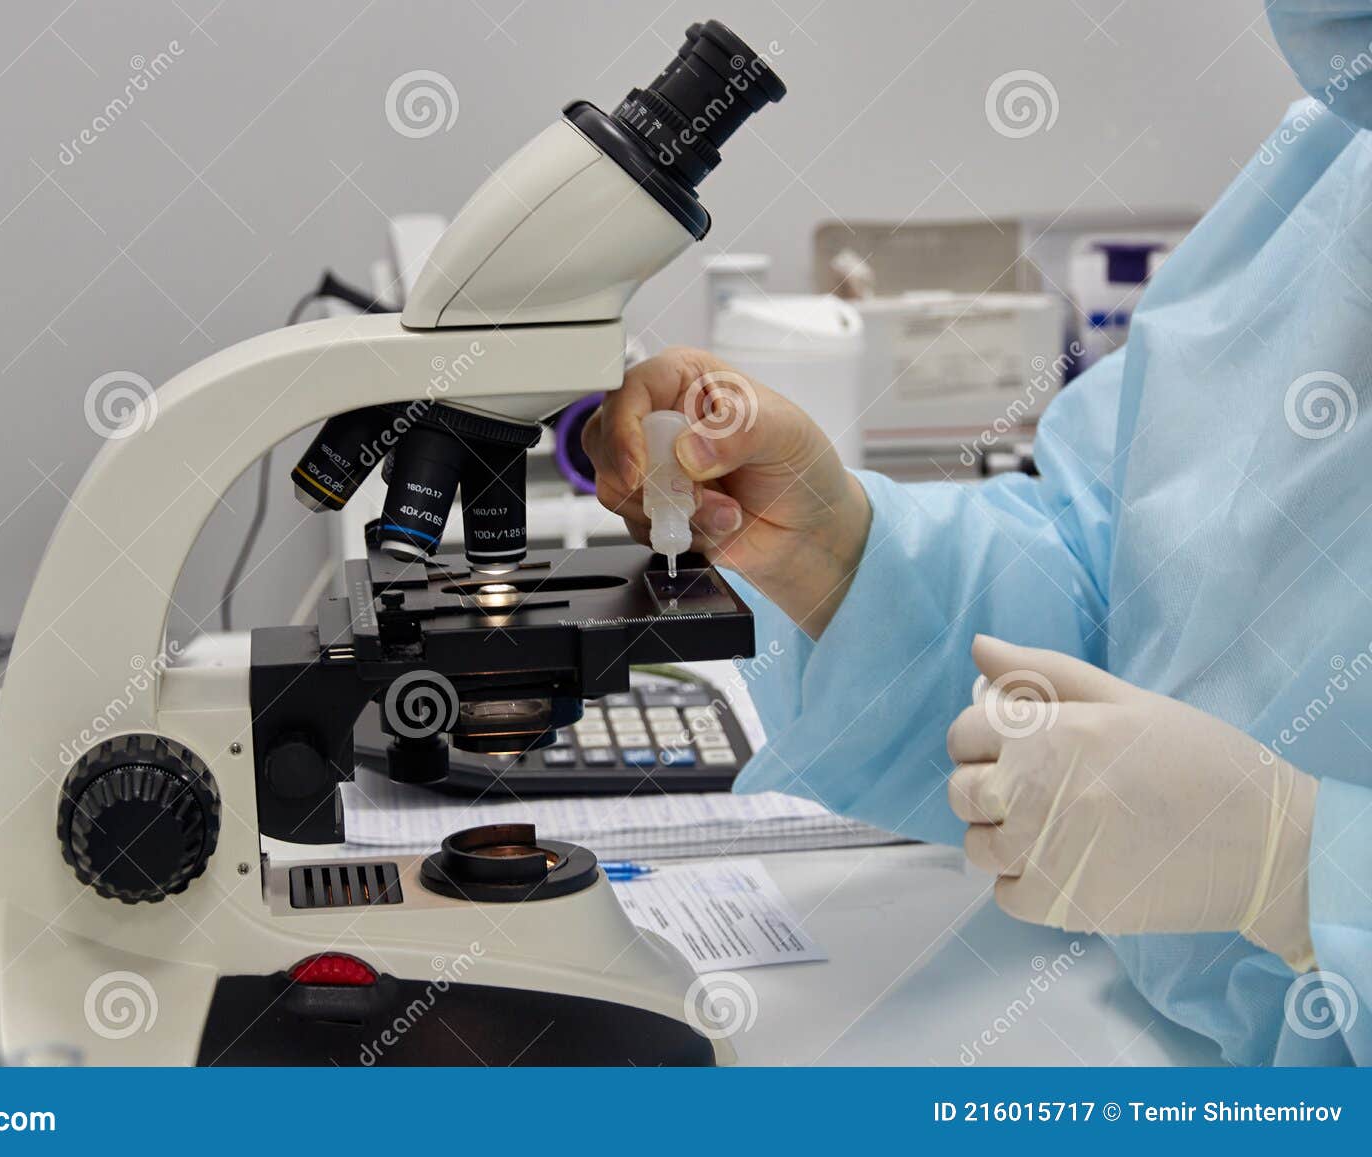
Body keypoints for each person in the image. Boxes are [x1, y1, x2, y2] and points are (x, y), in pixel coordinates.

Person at [581, 1, 1372, 1066]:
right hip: (1108, 1016)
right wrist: (837, 551)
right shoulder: (1333, 161)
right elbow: (1109, 582)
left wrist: (1300, 865)